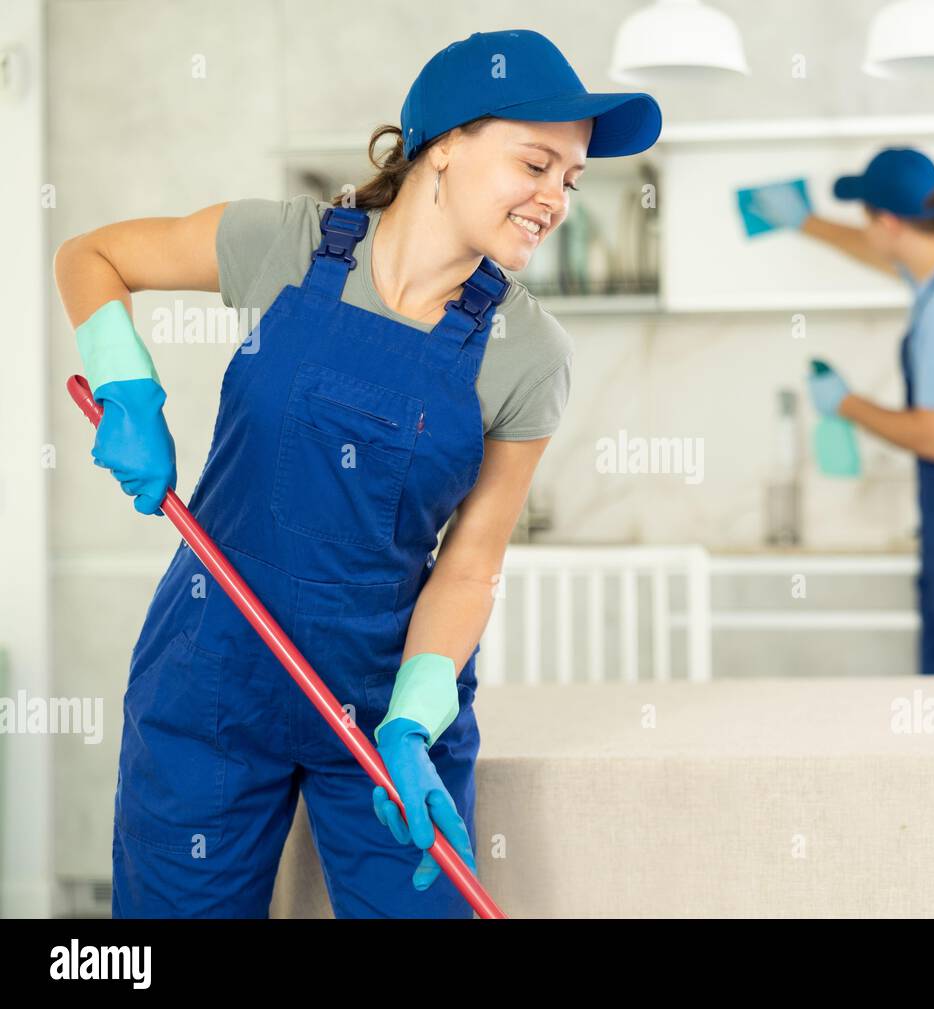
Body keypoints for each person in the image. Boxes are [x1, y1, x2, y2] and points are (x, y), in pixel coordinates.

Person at [53, 28, 661, 917]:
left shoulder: (528, 352)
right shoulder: (289, 245)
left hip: (382, 704)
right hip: (210, 675)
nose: (555, 199)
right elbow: (91, 257)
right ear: (444, 144)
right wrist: (126, 384)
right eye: (536, 164)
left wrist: (416, 716)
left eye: (570, 179)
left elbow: (473, 558)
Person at [749, 147, 934, 675]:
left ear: (888, 222)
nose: (864, 230)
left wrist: (846, 404)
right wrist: (805, 222)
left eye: (866, 218)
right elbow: (882, 253)